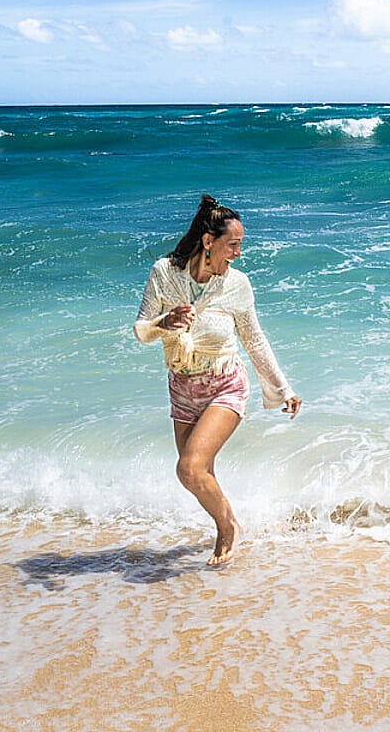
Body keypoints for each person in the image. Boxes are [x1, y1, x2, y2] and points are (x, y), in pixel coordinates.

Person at [134, 194, 302, 564]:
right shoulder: (165, 273)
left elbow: (254, 340)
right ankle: (230, 521)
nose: (238, 254)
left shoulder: (236, 284)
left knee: (189, 468)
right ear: (208, 242)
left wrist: (282, 388)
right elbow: (141, 331)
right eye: (234, 245)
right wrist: (165, 323)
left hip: (225, 383)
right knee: (198, 473)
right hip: (182, 386)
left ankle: (226, 528)